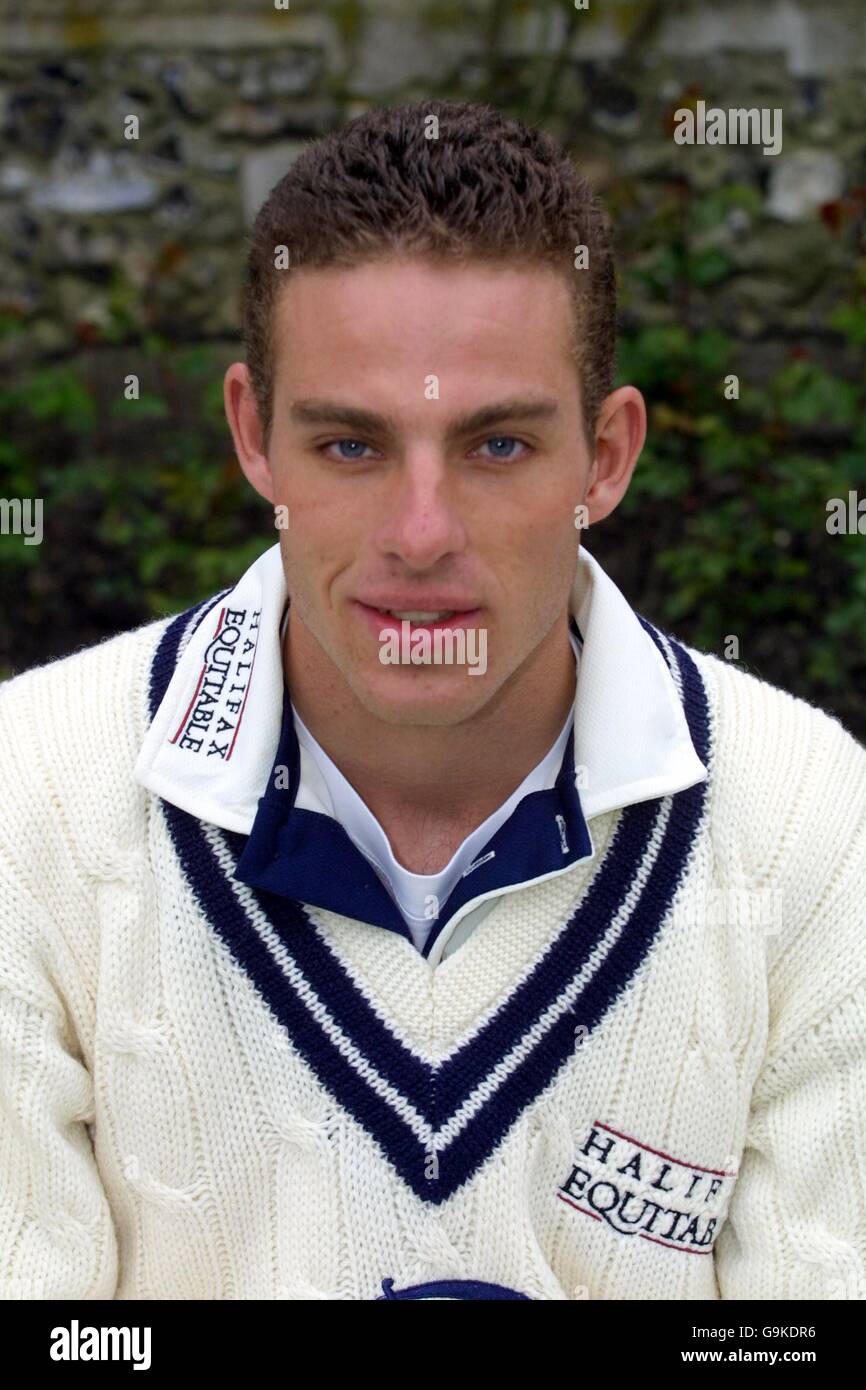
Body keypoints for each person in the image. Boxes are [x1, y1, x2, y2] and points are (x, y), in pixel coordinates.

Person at [1, 99, 864, 1301]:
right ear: (253, 437)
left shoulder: (811, 825)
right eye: (350, 446)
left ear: (603, 457)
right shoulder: (30, 796)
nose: (420, 535)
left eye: (496, 446)